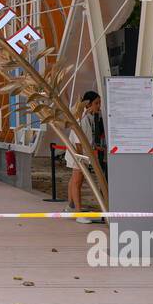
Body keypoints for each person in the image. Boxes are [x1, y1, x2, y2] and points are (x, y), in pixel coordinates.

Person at [65, 91, 102, 220]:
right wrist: (80, 160)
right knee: (77, 182)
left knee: (75, 181)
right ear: (88, 104)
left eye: (99, 103)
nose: (99, 106)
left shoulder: (88, 118)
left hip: (81, 155)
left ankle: (71, 206)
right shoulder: (81, 119)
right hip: (78, 155)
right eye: (96, 103)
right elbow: (78, 142)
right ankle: (78, 213)